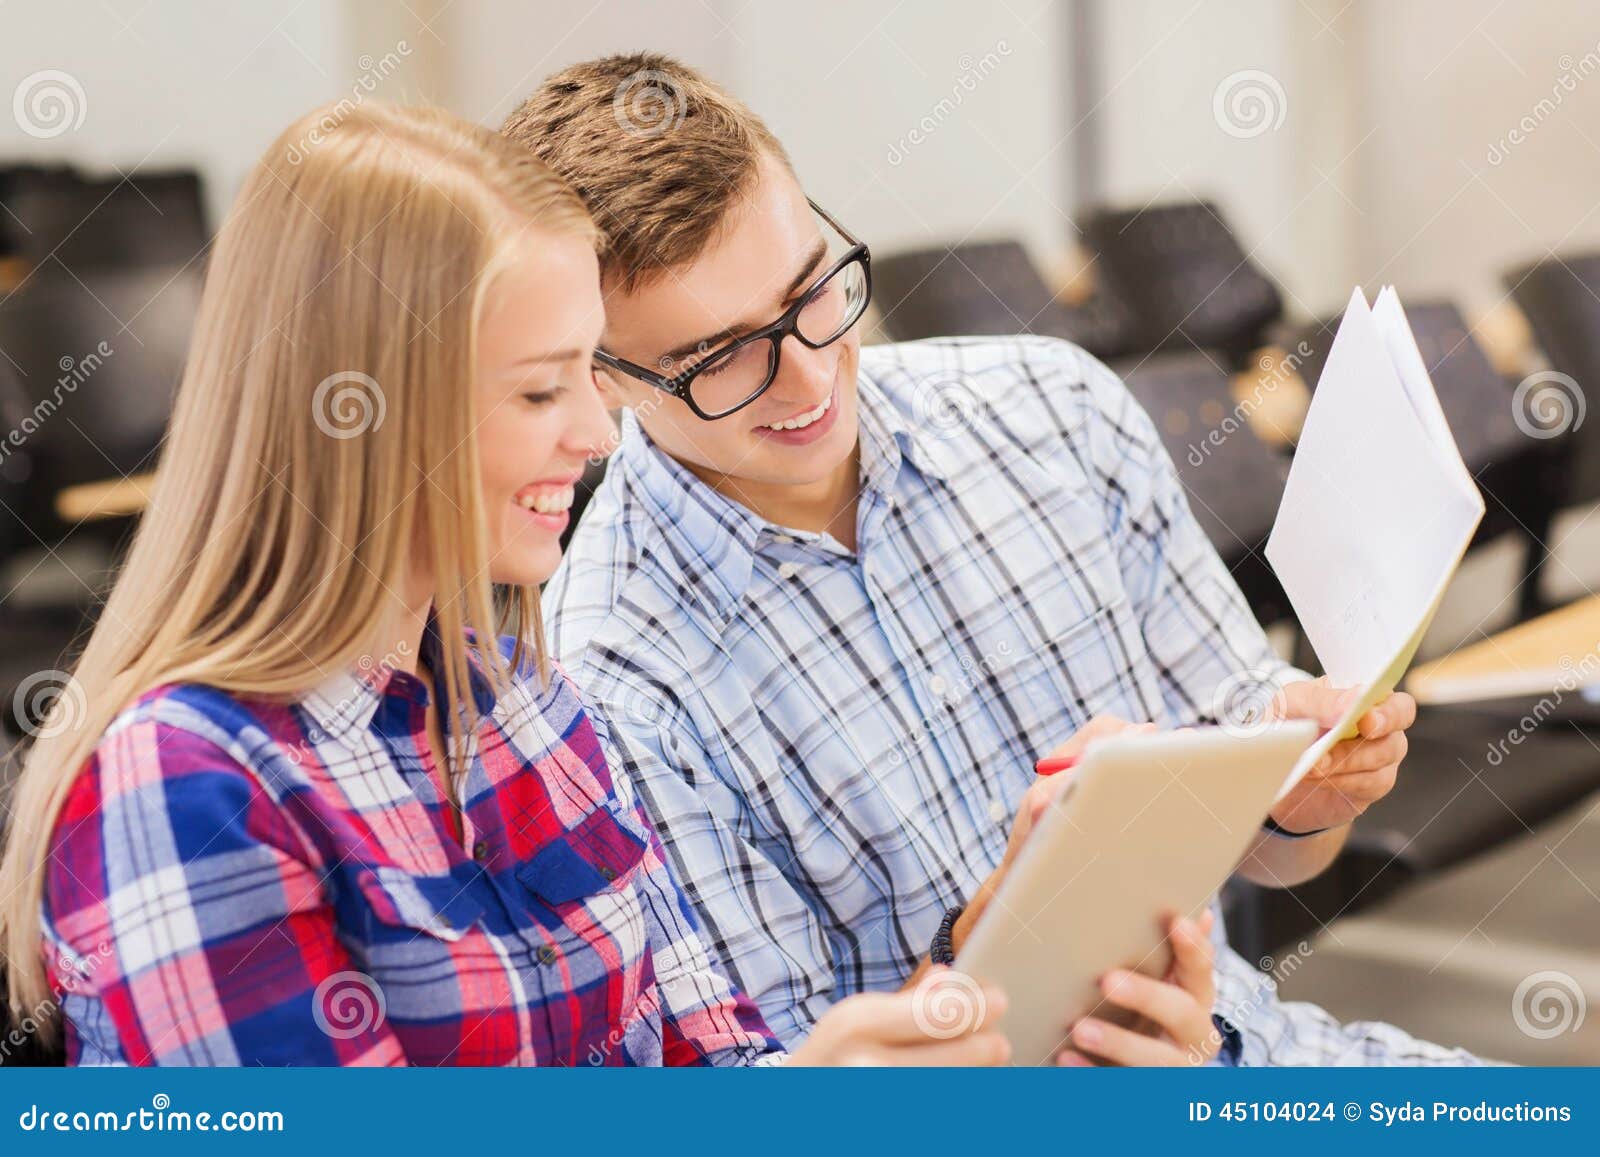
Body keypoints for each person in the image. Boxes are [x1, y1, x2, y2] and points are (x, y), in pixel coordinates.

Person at [0, 100, 1014, 1067]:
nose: (596, 432)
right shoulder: (188, 784)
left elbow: (712, 1063)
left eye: (588, 372)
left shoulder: (527, 699)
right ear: (368, 414)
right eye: (539, 388)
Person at [516, 53, 1482, 1066]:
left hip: (1264, 1054)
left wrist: (1302, 800)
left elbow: (1272, 850)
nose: (804, 376)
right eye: (720, 358)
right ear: (603, 376)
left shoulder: (1052, 411)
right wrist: (984, 959)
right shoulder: (616, 686)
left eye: (811, 290)